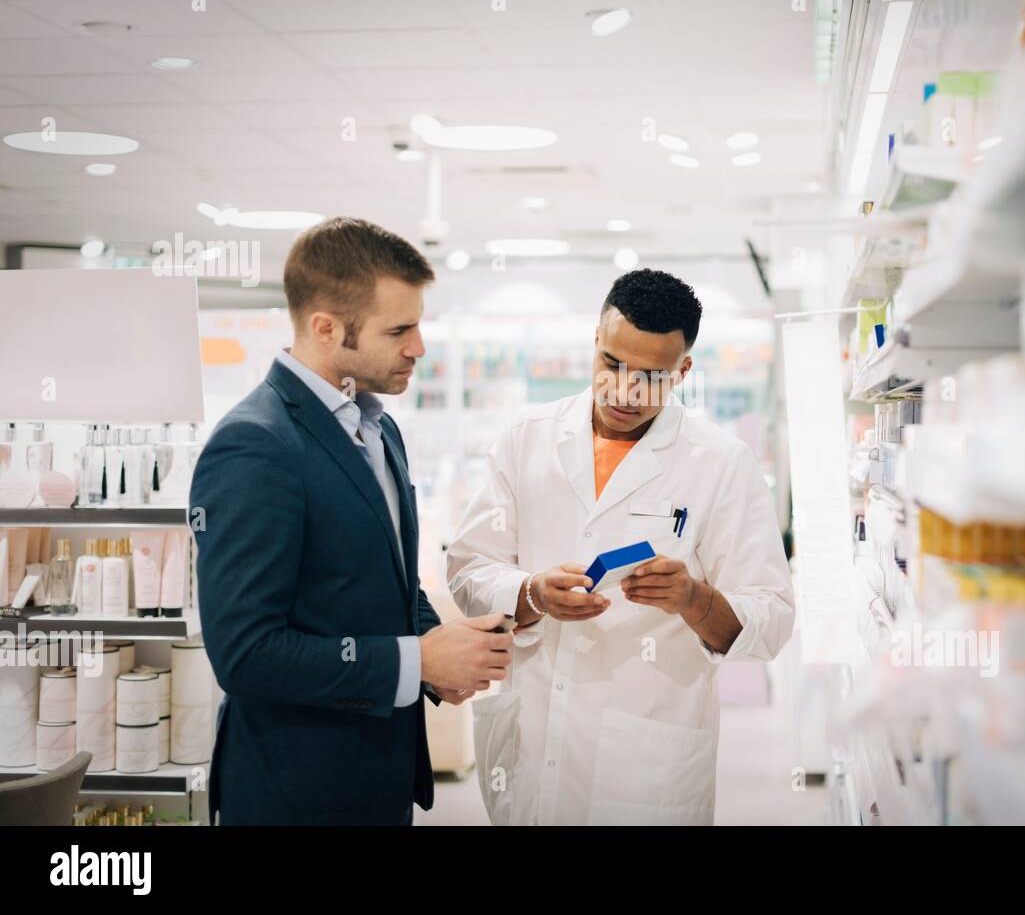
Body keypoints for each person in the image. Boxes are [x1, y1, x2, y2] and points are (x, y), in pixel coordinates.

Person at [191, 217, 513, 825]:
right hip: (296, 793)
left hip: (378, 778)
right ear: (326, 328)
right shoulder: (254, 445)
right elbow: (246, 653)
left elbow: (386, 578)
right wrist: (418, 661)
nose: (418, 347)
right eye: (399, 330)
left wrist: (446, 651)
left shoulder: (378, 428)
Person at [447, 268, 795, 825]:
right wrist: (531, 593)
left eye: (653, 375)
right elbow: (467, 568)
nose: (626, 391)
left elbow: (772, 619)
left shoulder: (721, 462)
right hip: (535, 735)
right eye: (612, 364)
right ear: (594, 340)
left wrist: (694, 600)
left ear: (683, 371)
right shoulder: (526, 437)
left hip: (647, 755)